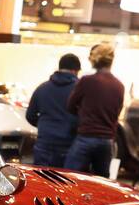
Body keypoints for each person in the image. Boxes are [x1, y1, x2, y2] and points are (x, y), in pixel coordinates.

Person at [63, 42, 124, 177]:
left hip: (86, 137)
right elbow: (116, 114)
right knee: (101, 182)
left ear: (94, 60)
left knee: (70, 177)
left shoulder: (87, 81)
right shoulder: (119, 85)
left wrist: (84, 114)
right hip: (106, 141)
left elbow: (70, 106)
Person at [24, 52, 80, 167]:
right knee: (64, 182)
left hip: (44, 144)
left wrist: (43, 125)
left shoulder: (42, 88)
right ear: (75, 71)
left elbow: (30, 115)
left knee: (42, 180)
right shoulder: (79, 90)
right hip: (68, 145)